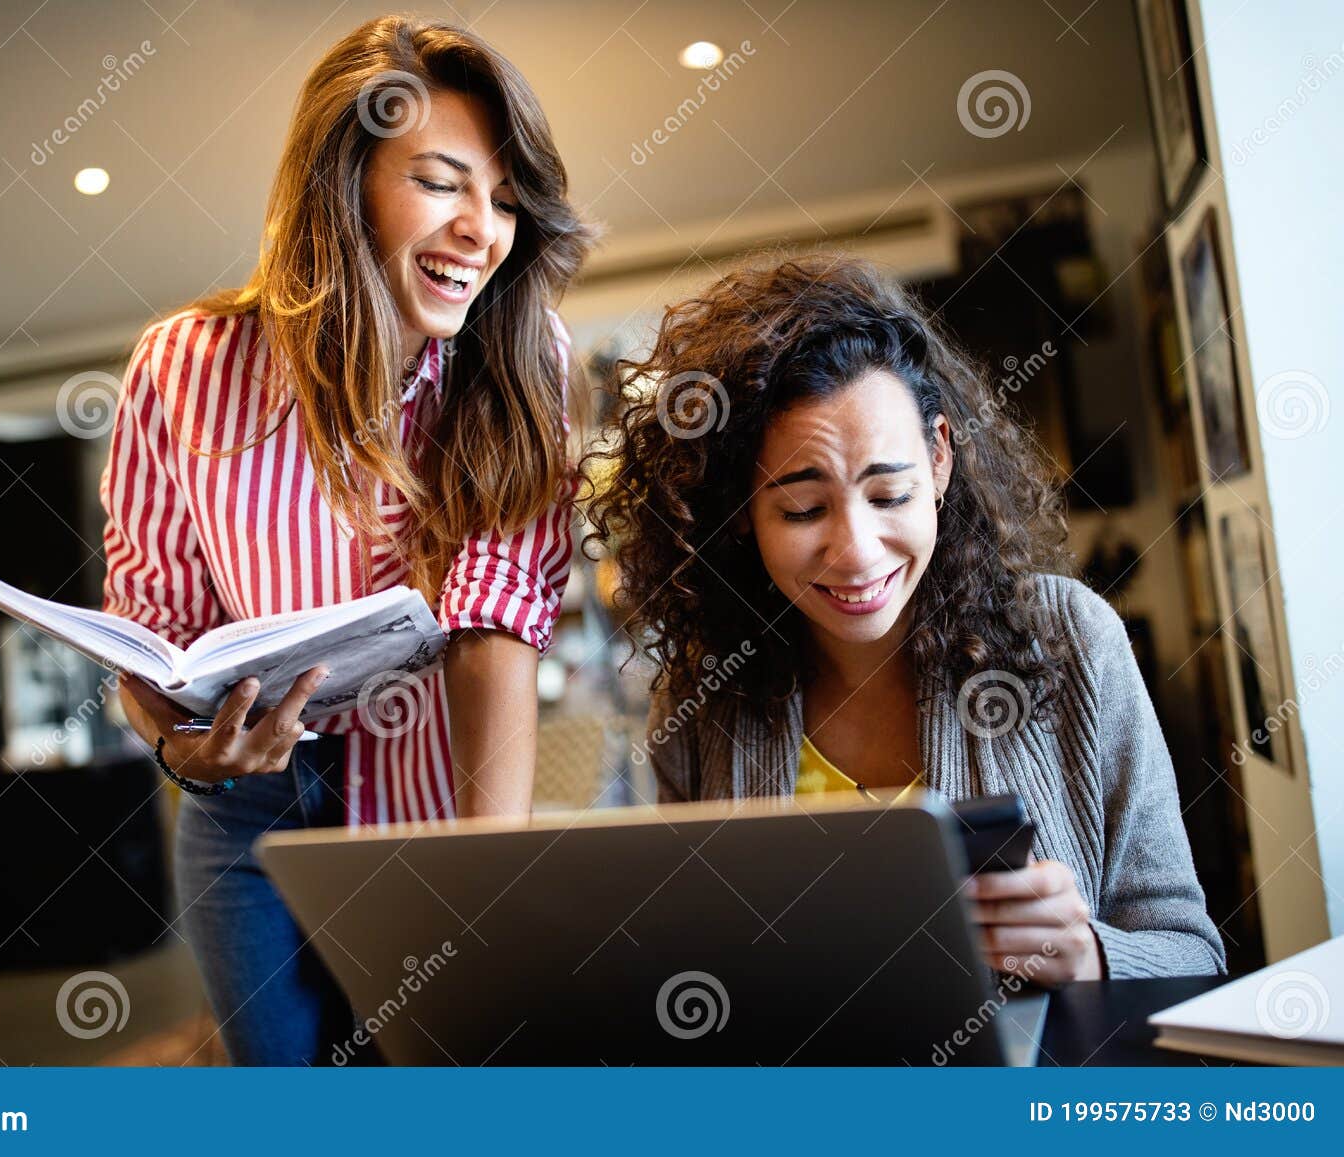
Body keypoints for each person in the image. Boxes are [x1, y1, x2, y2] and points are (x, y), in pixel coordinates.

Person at [100, 15, 596, 1064]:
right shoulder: (183, 367)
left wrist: (485, 873)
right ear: (343, 180)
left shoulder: (520, 359)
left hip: (434, 802)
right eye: (441, 180)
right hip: (247, 818)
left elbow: (494, 618)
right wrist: (182, 747)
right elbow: (153, 633)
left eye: (505, 200)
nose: (483, 228)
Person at [585, 252, 1226, 983]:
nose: (856, 553)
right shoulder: (701, 702)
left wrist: (1088, 952)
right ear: (740, 514)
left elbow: (1194, 954)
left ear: (940, 461)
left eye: (888, 495)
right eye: (802, 508)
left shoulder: (1072, 638)